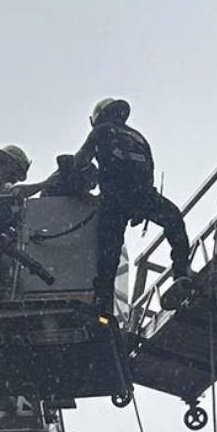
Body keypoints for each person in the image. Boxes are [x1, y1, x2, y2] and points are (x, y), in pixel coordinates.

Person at [73, 97, 192, 306]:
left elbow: (81, 159)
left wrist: (84, 175)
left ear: (98, 117)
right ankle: (182, 271)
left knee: (109, 250)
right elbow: (148, 170)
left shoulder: (101, 131)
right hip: (142, 194)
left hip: (115, 197)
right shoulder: (139, 137)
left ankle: (104, 299)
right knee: (173, 219)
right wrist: (141, 206)